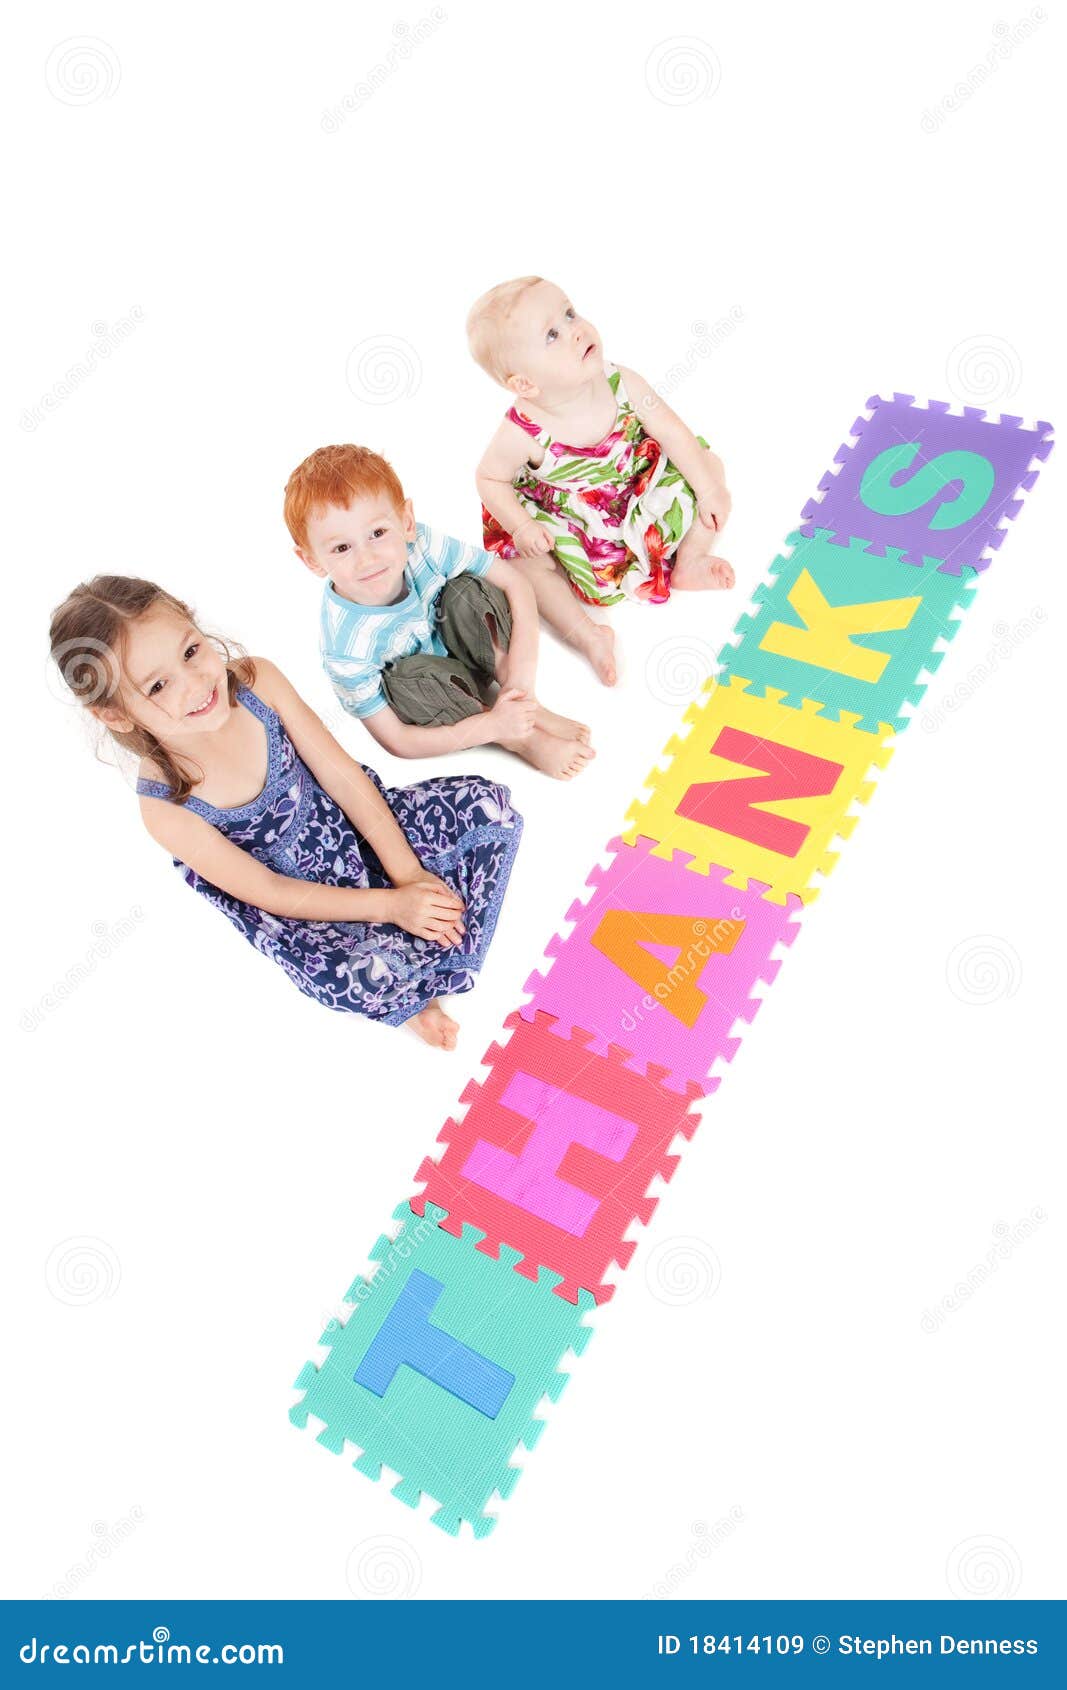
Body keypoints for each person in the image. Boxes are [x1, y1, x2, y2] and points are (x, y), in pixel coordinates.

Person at [49, 576, 522, 1049]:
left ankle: (435, 929)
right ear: (115, 715)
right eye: (157, 685)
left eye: (191, 651)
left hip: (357, 832)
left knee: (486, 806)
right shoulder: (165, 807)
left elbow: (343, 778)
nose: (195, 684)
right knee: (356, 977)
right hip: (308, 905)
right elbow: (271, 891)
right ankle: (413, 999)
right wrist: (394, 906)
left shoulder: (258, 683)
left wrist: (407, 874)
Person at [467, 275, 736, 681]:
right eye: (553, 334)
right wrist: (522, 527)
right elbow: (489, 479)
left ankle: (691, 559)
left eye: (570, 313)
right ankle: (588, 635)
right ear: (524, 383)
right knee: (526, 567)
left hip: (636, 484)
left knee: (709, 465)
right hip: (575, 521)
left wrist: (709, 489)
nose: (576, 331)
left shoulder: (621, 381)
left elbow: (670, 430)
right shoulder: (522, 431)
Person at [286, 444, 595, 781]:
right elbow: (396, 740)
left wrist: (521, 680)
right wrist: (491, 726)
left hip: (468, 643)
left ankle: (520, 699)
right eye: (341, 548)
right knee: (408, 680)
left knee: (466, 590)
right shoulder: (346, 645)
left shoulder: (421, 544)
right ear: (313, 560)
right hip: (434, 691)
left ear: (405, 522)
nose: (367, 558)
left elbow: (515, 584)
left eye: (377, 533)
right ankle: (519, 737)